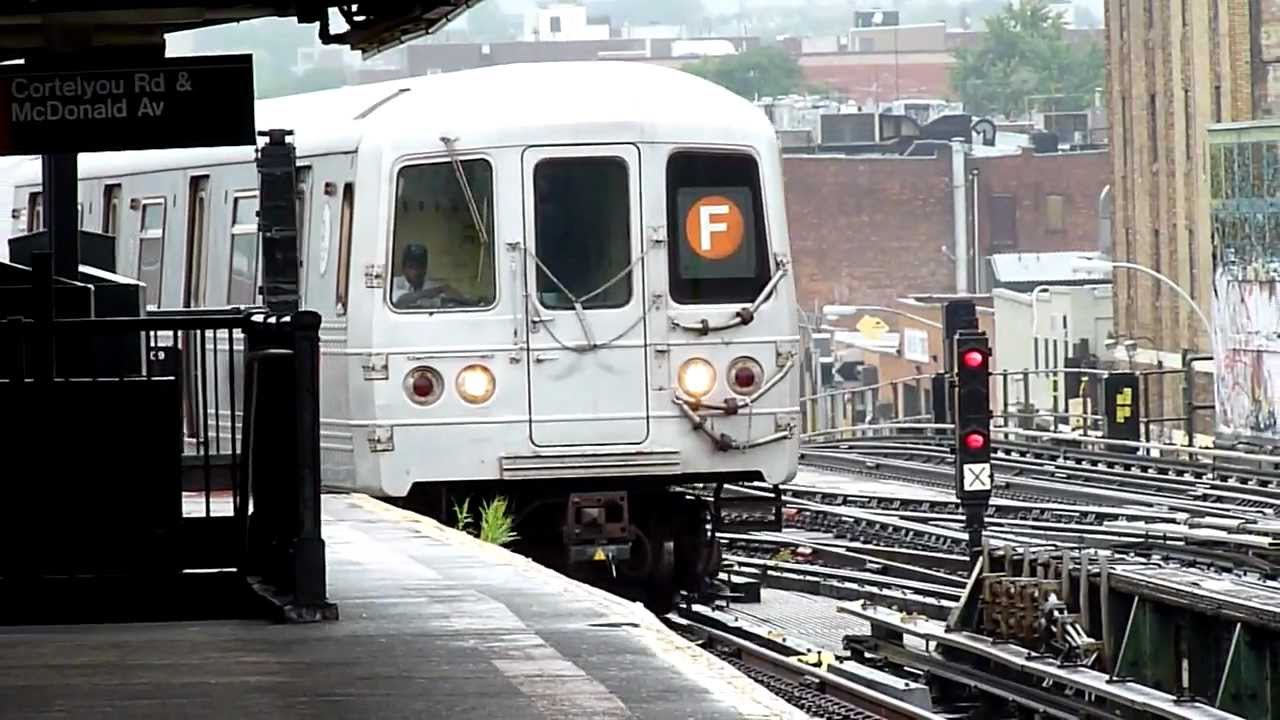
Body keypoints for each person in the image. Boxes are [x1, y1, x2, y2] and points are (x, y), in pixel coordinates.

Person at [392, 243, 461, 309]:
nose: (416, 271)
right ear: (403, 269)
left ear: (425, 268)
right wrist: (438, 290)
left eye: (420, 267)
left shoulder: (432, 285)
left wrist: (454, 296)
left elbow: (456, 301)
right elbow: (401, 301)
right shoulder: (394, 283)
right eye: (411, 267)